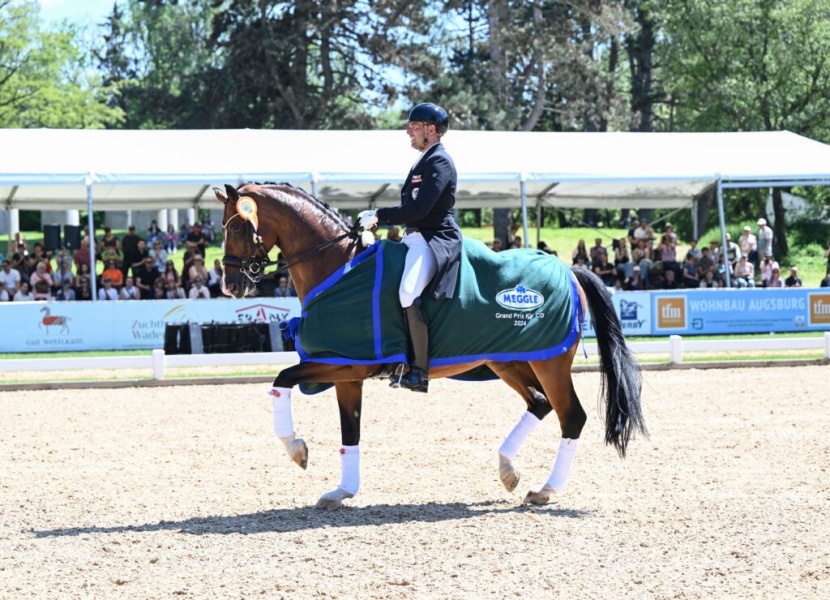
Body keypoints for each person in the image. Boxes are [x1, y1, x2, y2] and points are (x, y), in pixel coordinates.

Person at [356, 102, 461, 393]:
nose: (408, 132)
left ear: (431, 130)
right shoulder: (422, 160)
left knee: (407, 291)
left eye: (414, 127)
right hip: (413, 238)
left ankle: (420, 371)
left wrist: (380, 215)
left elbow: (419, 209)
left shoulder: (439, 161)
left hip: (433, 239)